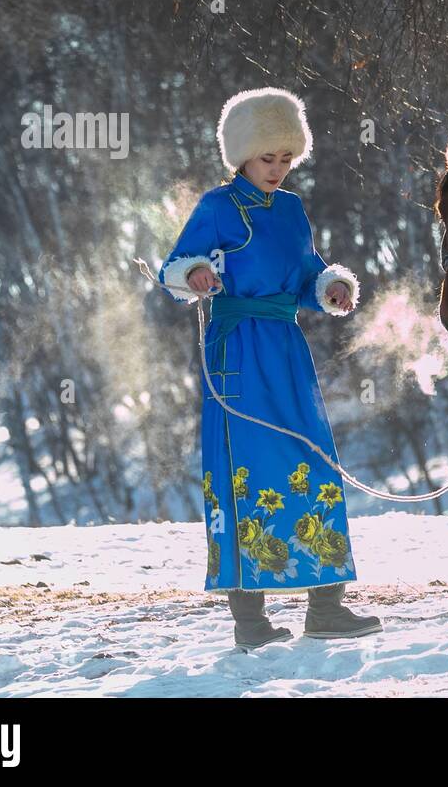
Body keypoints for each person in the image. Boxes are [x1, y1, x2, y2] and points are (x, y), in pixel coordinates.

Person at [159, 87, 381, 649]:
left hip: (286, 347)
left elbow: (308, 271)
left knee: (314, 460)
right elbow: (173, 267)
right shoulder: (216, 207)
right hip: (236, 352)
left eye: (287, 158)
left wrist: (329, 287)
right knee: (247, 473)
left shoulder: (292, 209)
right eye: (267, 158)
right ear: (240, 155)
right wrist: (196, 277)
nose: (278, 169)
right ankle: (251, 623)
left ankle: (326, 606)